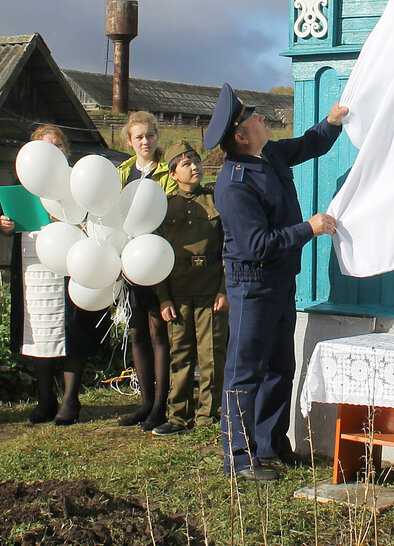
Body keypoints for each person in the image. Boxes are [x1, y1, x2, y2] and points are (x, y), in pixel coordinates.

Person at [205, 83, 347, 481]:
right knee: (244, 372)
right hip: (253, 286)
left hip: (280, 280)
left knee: (279, 367)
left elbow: (307, 146)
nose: (262, 117)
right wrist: (309, 229)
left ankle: (270, 445)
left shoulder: (267, 155)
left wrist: (332, 122)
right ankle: (239, 457)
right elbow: (255, 245)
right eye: (253, 115)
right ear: (240, 135)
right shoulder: (234, 183)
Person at [1, 125, 109, 426]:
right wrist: (5, 225)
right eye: (46, 147)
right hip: (32, 265)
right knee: (39, 332)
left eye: (58, 145)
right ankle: (44, 399)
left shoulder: (78, 182)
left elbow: (94, 218)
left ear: (67, 151)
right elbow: (12, 217)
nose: (54, 151)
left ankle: (70, 400)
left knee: (72, 329)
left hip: (69, 261)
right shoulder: (22, 184)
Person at [150, 141, 228, 436]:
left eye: (196, 161)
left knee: (212, 354)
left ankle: (210, 414)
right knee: (180, 355)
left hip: (211, 292)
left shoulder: (216, 201)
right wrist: (164, 297)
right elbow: (154, 256)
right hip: (178, 292)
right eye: (186, 163)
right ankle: (178, 415)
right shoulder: (164, 207)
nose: (194, 166)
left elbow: (228, 249)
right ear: (172, 174)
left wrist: (224, 289)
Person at [116, 111, 176, 430]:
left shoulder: (167, 172)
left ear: (156, 138)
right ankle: (144, 402)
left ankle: (160, 407)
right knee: (136, 330)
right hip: (128, 261)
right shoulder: (122, 171)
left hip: (157, 259)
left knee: (157, 331)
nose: (145, 141)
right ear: (129, 140)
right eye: (138, 136)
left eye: (150, 135)